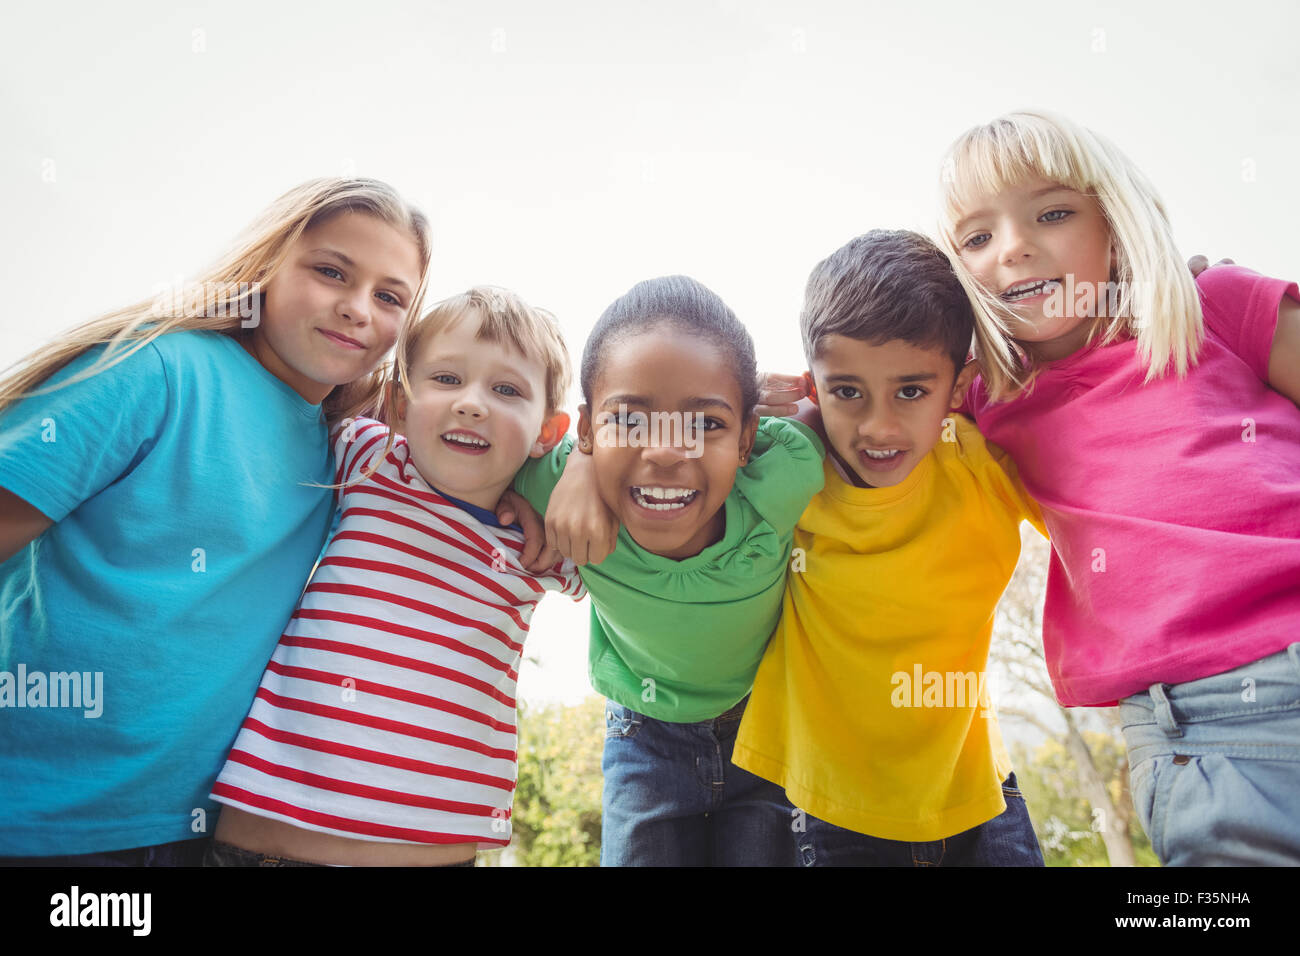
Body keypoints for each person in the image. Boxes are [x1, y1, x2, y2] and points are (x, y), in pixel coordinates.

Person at [0, 178, 431, 865]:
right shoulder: (163, 370)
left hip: (191, 831)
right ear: (265, 269)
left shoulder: (343, 447)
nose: (355, 309)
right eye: (329, 272)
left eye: (389, 296)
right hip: (35, 817)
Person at [937, 109, 1300, 865]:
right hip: (1204, 740)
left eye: (1054, 212)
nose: (1015, 246)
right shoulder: (987, 404)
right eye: (977, 237)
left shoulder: (1217, 307)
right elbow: (868, 398)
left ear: (1115, 220)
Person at [207, 287, 583, 867]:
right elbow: (278, 395)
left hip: (434, 854)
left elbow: (648, 538)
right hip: (266, 843)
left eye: (506, 390)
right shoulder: (369, 459)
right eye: (447, 379)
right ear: (400, 406)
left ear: (546, 432)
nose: (472, 404)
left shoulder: (546, 541)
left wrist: (578, 469)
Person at [733, 230, 1046, 866]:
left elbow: (1112, 465)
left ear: (958, 388)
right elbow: (653, 457)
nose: (878, 427)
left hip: (979, 798)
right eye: (848, 391)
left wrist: (1171, 312)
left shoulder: (984, 468)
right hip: (830, 812)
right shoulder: (784, 472)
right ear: (812, 387)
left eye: (911, 391)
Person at [513, 275, 825, 866]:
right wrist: (576, 465)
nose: (663, 452)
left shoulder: (779, 480)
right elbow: (452, 438)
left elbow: (839, 409)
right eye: (629, 421)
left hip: (767, 732)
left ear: (746, 439)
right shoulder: (557, 483)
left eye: (706, 424)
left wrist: (752, 390)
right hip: (645, 740)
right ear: (584, 429)